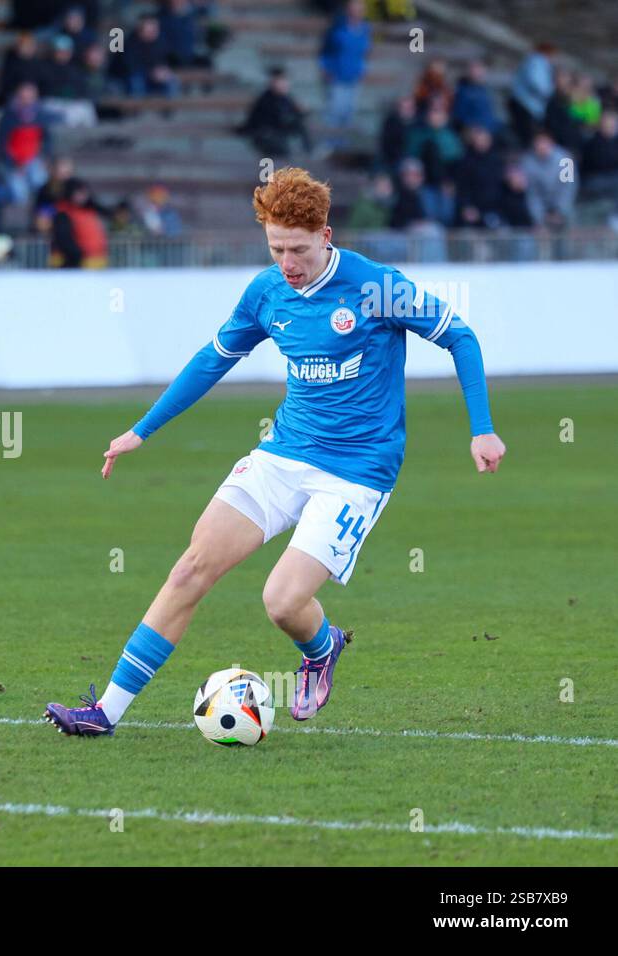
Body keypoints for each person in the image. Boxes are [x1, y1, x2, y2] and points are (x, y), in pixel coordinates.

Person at [45, 166, 504, 735]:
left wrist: (481, 427)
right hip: (283, 455)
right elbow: (213, 358)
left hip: (357, 472)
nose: (287, 263)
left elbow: (460, 334)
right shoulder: (266, 293)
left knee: (282, 602)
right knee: (190, 569)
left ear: (326, 236)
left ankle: (320, 648)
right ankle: (103, 713)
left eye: (298, 249)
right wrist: (144, 429)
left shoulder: (375, 286)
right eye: (276, 247)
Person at [318, 0, 371, 147]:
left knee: (349, 114)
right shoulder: (337, 28)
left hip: (354, 77)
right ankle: (329, 145)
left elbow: (364, 53)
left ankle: (343, 147)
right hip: (337, 77)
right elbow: (325, 51)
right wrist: (325, 69)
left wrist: (363, 69)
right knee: (334, 113)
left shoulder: (365, 29)